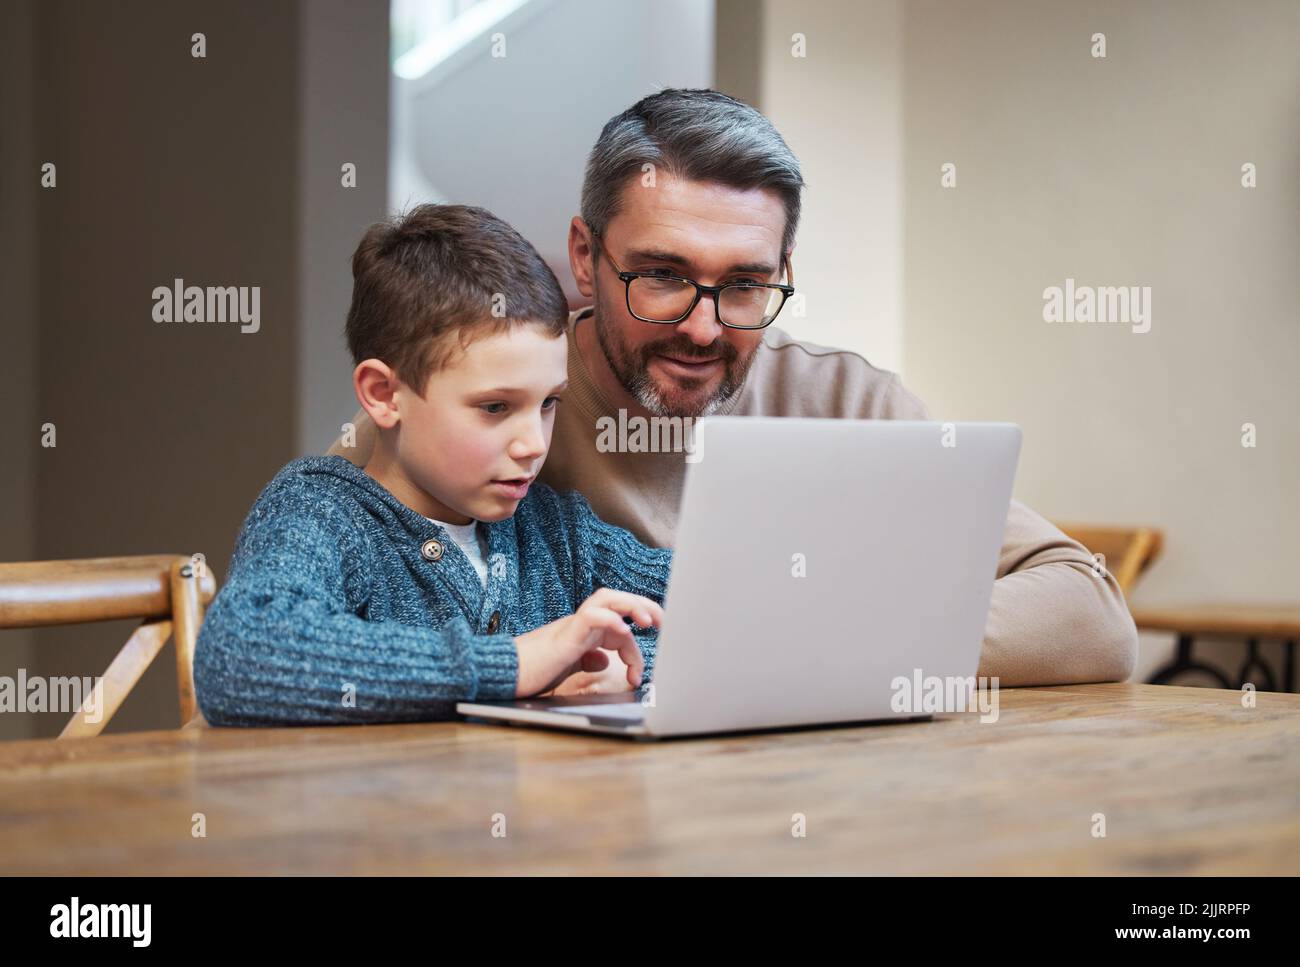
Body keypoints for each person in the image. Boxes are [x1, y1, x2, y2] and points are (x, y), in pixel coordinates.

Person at [331, 89, 1138, 689]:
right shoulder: (485, 403)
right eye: (662, 276)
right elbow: (328, 630)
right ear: (584, 257)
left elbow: (1090, 618)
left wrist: (815, 647)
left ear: (783, 274)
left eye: (745, 285)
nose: (704, 329)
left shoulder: (848, 403)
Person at [194, 204, 669, 726]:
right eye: (495, 407)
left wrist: (630, 667)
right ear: (384, 395)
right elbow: (242, 656)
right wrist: (514, 666)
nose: (534, 444)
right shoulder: (324, 514)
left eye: (549, 403)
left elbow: (706, 604)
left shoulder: (556, 531)